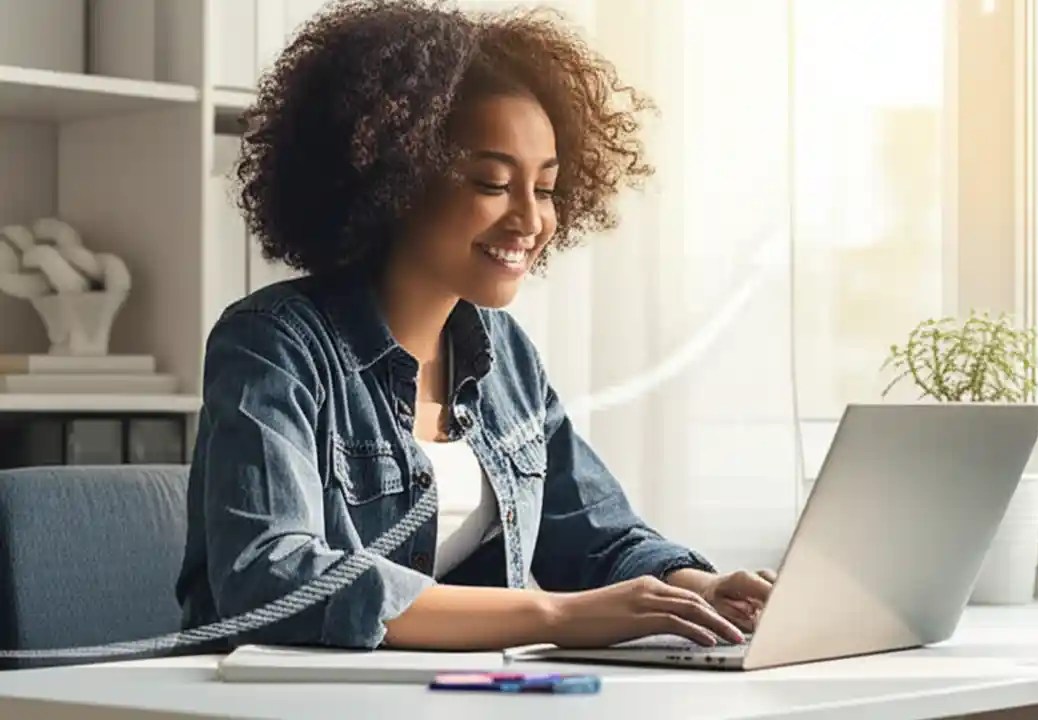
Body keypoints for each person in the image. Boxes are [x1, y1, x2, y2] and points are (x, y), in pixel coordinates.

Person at [176, 0, 775, 652]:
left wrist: (699, 589)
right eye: (492, 183)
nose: (530, 219)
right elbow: (272, 580)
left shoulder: (504, 357)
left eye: (545, 189)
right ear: (394, 180)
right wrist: (555, 617)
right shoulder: (274, 344)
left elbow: (596, 534)